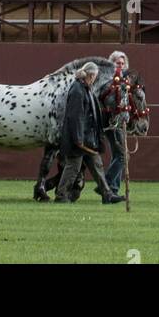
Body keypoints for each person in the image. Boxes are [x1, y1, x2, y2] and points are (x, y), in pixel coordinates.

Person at [55, 63, 121, 205]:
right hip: (79, 140)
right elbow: (75, 117)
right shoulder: (77, 90)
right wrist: (78, 140)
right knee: (73, 168)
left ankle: (107, 194)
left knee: (97, 165)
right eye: (95, 77)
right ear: (91, 75)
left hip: (87, 139)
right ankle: (61, 195)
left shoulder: (84, 88)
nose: (95, 79)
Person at [105, 50, 130, 196]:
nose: (120, 66)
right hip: (111, 122)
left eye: (122, 63)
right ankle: (107, 183)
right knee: (122, 155)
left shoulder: (125, 81)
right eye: (117, 63)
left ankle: (112, 189)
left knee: (118, 155)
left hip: (121, 122)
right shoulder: (109, 80)